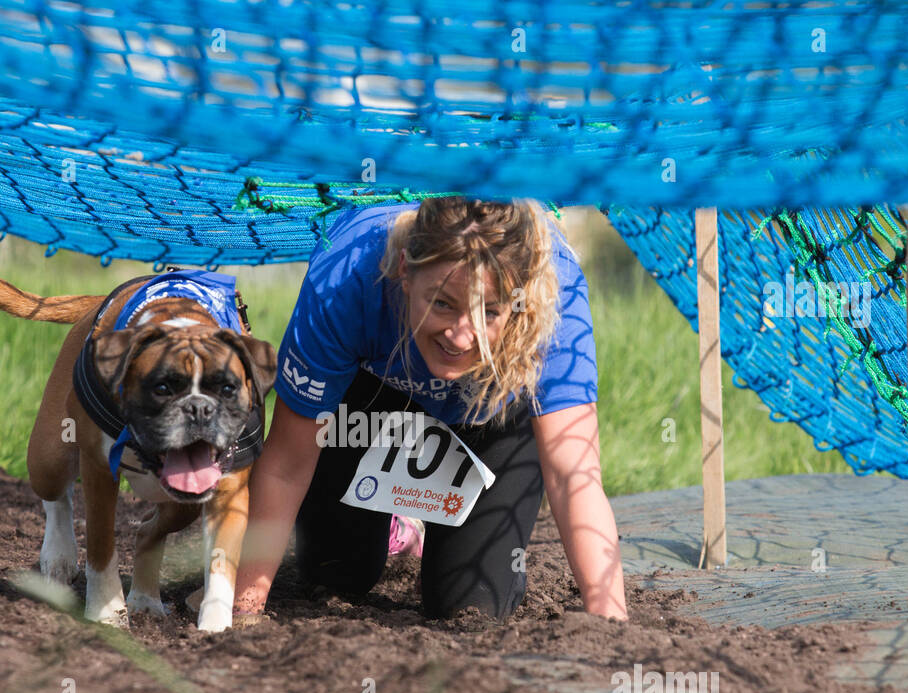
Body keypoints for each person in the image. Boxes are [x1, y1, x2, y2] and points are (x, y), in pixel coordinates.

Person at [234, 196, 627, 622]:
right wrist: (244, 607)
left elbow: (575, 479)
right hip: (374, 399)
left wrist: (611, 623)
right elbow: (286, 465)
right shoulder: (346, 274)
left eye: (488, 312)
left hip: (491, 410)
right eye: (442, 303)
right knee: (333, 573)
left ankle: (439, 524)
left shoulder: (557, 299)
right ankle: (396, 522)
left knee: (469, 609)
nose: (460, 336)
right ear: (404, 270)